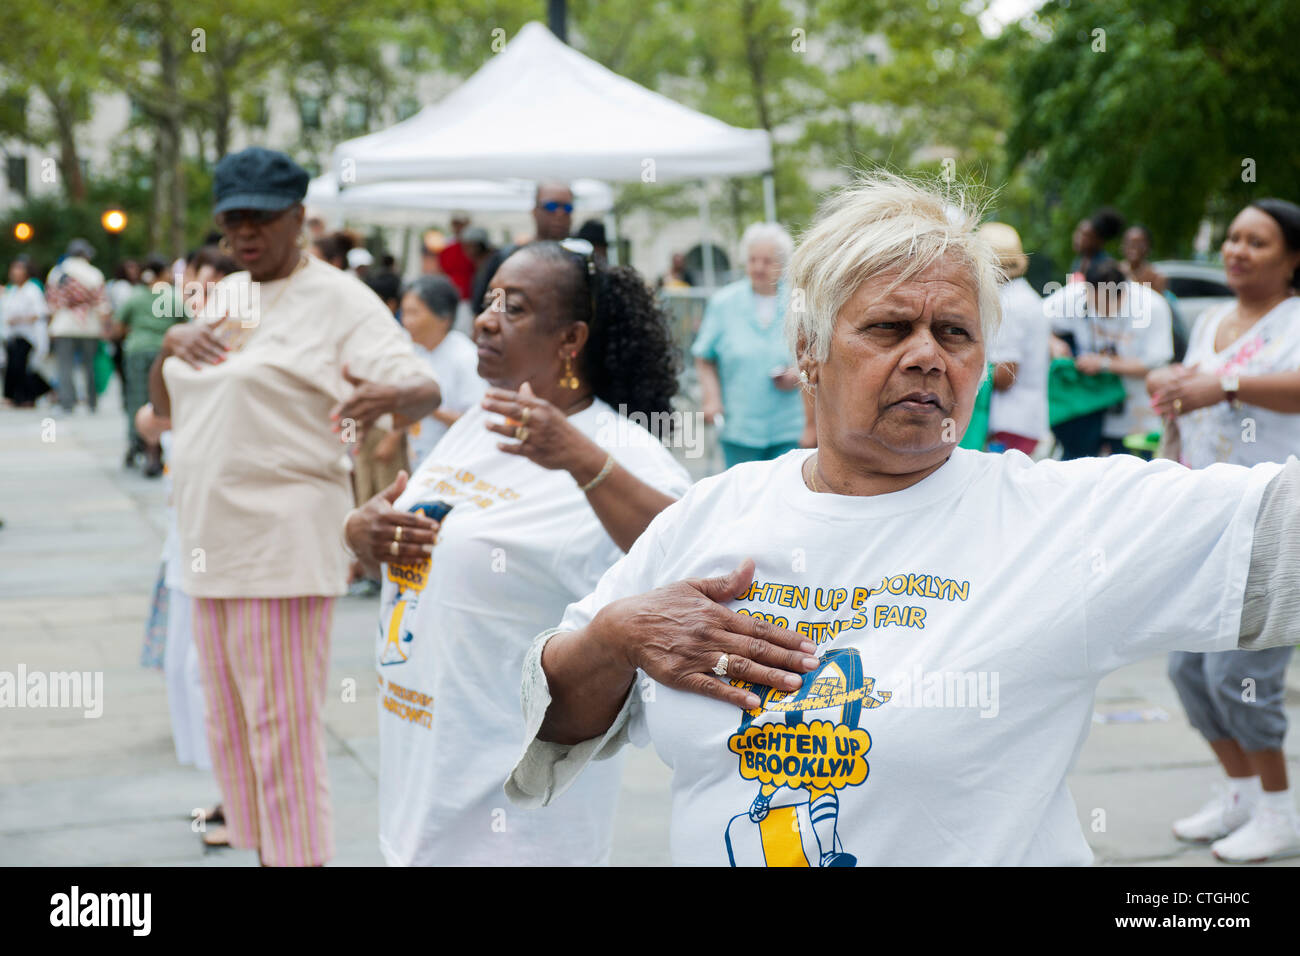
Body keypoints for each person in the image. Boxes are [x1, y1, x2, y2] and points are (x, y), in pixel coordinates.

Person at [506, 171, 1300, 867]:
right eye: (889, 328)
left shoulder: (1063, 521)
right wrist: (615, 636)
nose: (928, 355)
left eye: (954, 333)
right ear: (808, 349)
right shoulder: (714, 515)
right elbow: (562, 717)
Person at [345, 238, 690, 865]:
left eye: (516, 308)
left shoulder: (622, 451)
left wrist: (580, 460)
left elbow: (694, 559)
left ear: (570, 339)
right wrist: (365, 537)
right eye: (489, 300)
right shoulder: (480, 422)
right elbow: (413, 558)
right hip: (423, 781)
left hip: (520, 820)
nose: (485, 318)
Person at [149, 146, 441, 867]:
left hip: (281, 542)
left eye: (260, 218)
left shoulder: (340, 297)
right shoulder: (228, 295)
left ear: (299, 218)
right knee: (231, 728)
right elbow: (164, 412)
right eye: (230, 221)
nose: (245, 234)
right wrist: (169, 345)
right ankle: (265, 854)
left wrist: (387, 399)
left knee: (281, 730)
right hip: (207, 544)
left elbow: (423, 387)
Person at [1148, 197, 1300, 862]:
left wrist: (1226, 387)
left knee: (1241, 675)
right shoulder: (1209, 316)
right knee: (1187, 670)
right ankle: (1239, 794)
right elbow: (1196, 393)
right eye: (1234, 238)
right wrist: (1174, 392)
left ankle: (1279, 809)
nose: (1237, 250)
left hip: (1276, 522)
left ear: (1293, 258)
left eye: (1257, 242)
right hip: (1205, 516)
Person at [694, 222, 810, 468]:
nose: (758, 267)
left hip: (790, 426)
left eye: (767, 261)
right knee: (743, 498)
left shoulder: (799, 301)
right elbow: (704, 357)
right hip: (740, 425)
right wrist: (711, 399)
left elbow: (817, 355)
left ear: (783, 264)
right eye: (752, 260)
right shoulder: (724, 302)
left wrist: (799, 374)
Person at [1045, 258, 1173, 457]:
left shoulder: (1152, 306)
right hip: (1088, 410)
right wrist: (1053, 342)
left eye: (1102, 305)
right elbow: (1037, 319)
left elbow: (1155, 362)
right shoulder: (1075, 296)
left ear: (1122, 294)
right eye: (1091, 302)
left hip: (1136, 417)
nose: (1096, 309)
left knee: (1132, 478)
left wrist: (1104, 364)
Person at [398, 275, 485, 468]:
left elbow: (478, 422)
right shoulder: (413, 349)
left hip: (453, 464)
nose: (406, 321)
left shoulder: (465, 358)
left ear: (443, 317)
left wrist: (429, 407)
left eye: (414, 313)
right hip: (419, 458)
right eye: (404, 312)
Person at [979, 223, 1048, 455]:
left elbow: (1005, 375)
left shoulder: (1010, 305)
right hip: (1019, 421)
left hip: (1008, 423)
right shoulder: (1022, 297)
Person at [115, 256, 184, 475]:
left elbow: (118, 327)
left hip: (136, 352)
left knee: (136, 398)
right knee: (162, 400)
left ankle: (138, 442)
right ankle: (157, 447)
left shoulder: (135, 297)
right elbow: (187, 325)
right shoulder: (173, 297)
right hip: (164, 353)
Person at [471, 181, 573, 310]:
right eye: (551, 206)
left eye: (567, 208)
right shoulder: (508, 258)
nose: (560, 213)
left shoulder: (580, 261)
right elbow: (493, 309)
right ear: (534, 211)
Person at [47, 238, 110, 414]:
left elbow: (52, 302)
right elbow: (101, 303)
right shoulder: (94, 274)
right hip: (89, 324)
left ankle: (67, 402)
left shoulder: (57, 273)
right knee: (90, 366)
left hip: (64, 322)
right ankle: (92, 402)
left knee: (64, 366)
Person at [2, 255, 51, 407]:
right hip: (14, 334)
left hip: (28, 335)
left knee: (21, 367)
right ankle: (15, 396)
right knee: (13, 367)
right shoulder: (14, 290)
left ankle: (28, 396)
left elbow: (40, 313)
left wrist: (19, 319)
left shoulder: (32, 289)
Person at [1068, 207, 1124, 281]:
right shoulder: (1077, 263)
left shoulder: (1107, 267)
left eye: (1085, 235)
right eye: (1077, 232)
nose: (1077, 238)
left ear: (1099, 241)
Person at [438, 213, 476, 300]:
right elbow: (441, 272)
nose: (459, 229)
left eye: (462, 226)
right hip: (450, 294)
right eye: (457, 226)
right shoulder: (446, 249)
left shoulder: (472, 248)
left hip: (470, 295)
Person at [1120, 225, 1168, 294]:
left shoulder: (1156, 278)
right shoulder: (1114, 273)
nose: (1134, 247)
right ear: (1122, 246)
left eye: (1139, 243)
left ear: (1148, 246)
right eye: (1129, 243)